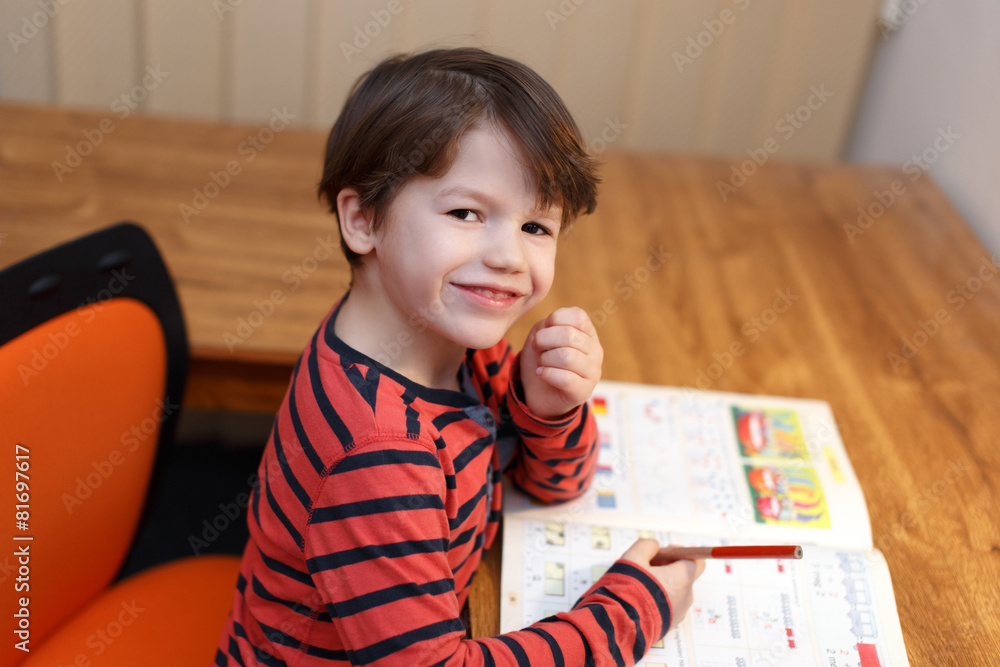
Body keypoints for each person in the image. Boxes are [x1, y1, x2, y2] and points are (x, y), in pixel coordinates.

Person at [215, 47, 703, 666]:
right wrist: (632, 614)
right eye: (466, 213)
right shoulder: (378, 452)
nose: (509, 256)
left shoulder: (448, 335)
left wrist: (547, 410)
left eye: (536, 227)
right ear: (363, 219)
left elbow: (554, 484)